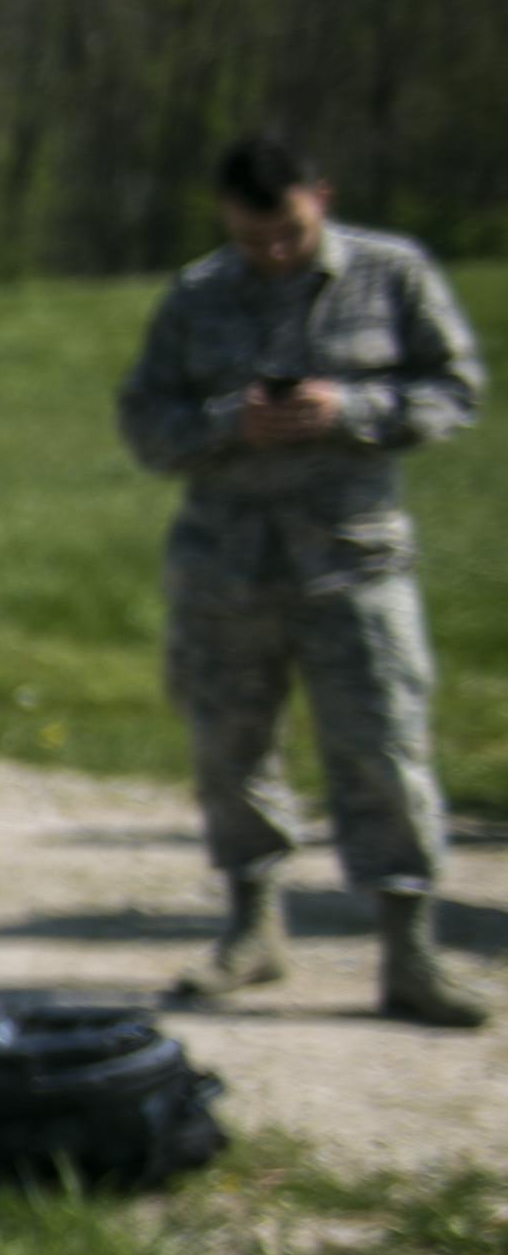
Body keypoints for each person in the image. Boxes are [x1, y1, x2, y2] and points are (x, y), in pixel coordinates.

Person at [114, 133, 485, 1029]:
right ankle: (252, 932)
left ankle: (409, 952)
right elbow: (144, 421)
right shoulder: (198, 296)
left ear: (320, 195)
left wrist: (349, 409)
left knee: (384, 747)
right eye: (252, 239)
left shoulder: (393, 275)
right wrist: (227, 421)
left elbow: (456, 389)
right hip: (224, 567)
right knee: (230, 753)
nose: (273, 253)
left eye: (287, 233)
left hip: (352, 563)